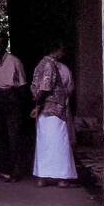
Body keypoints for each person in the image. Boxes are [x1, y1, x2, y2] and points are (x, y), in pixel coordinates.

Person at [30, 40, 78, 187]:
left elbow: (36, 86)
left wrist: (37, 104)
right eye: (61, 50)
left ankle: (42, 177)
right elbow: (45, 88)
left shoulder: (40, 65)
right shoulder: (50, 65)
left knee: (44, 143)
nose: (63, 53)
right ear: (55, 50)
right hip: (54, 108)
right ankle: (62, 178)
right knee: (60, 142)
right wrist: (39, 104)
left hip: (45, 109)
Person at [0, 35, 28, 182]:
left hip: (12, 97)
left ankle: (16, 170)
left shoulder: (15, 62)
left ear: (5, 45)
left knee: (13, 135)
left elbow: (22, 86)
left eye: (1, 44)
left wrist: (21, 107)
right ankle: (4, 168)